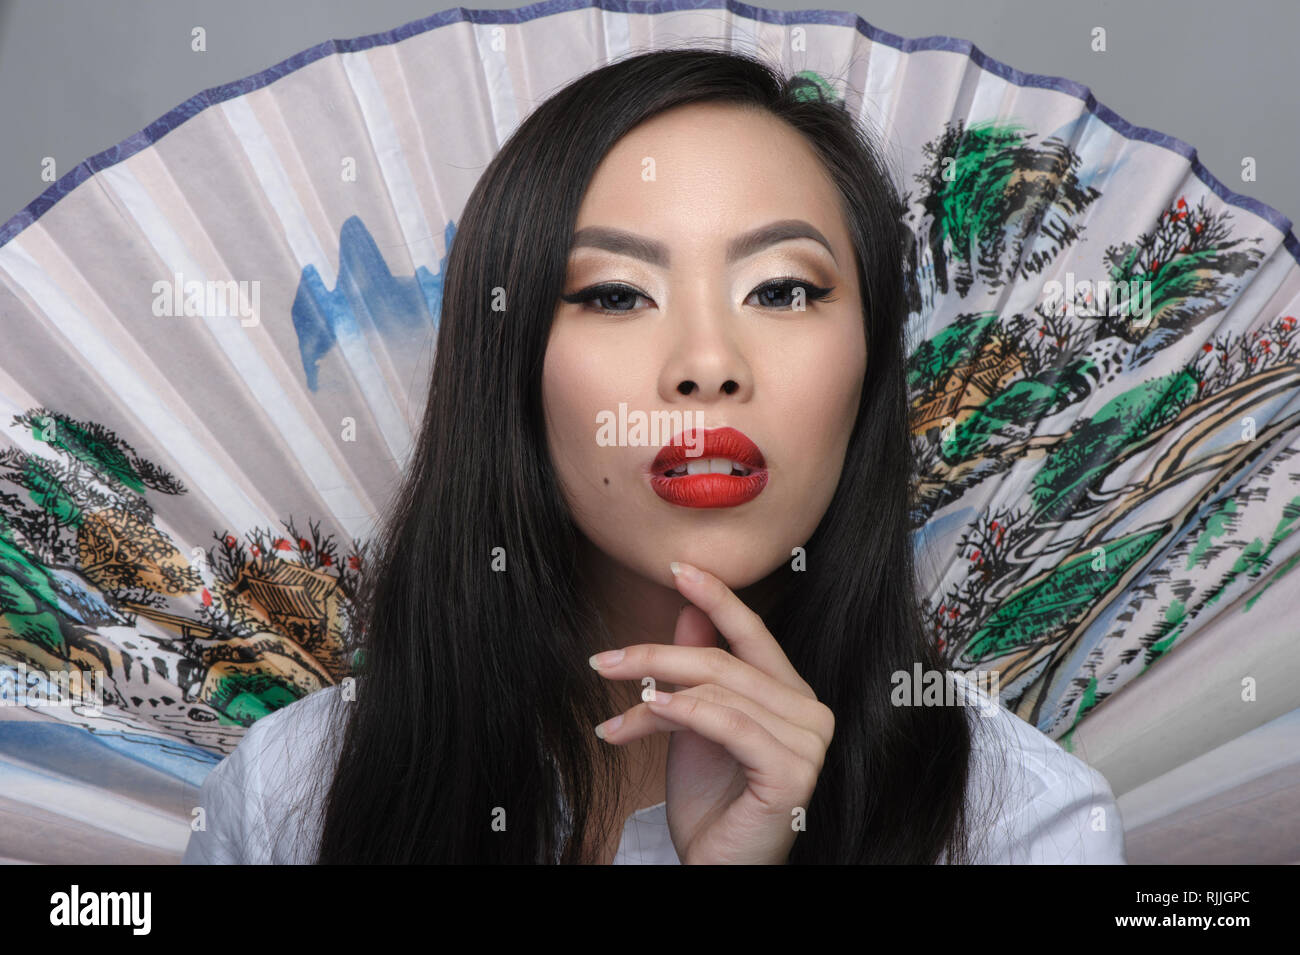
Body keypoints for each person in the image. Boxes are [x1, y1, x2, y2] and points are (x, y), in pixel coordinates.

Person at [183, 46, 1126, 865]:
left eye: (783, 290)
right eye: (617, 294)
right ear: (508, 360)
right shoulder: (289, 800)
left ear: (871, 362)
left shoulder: (1024, 825)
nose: (708, 364)